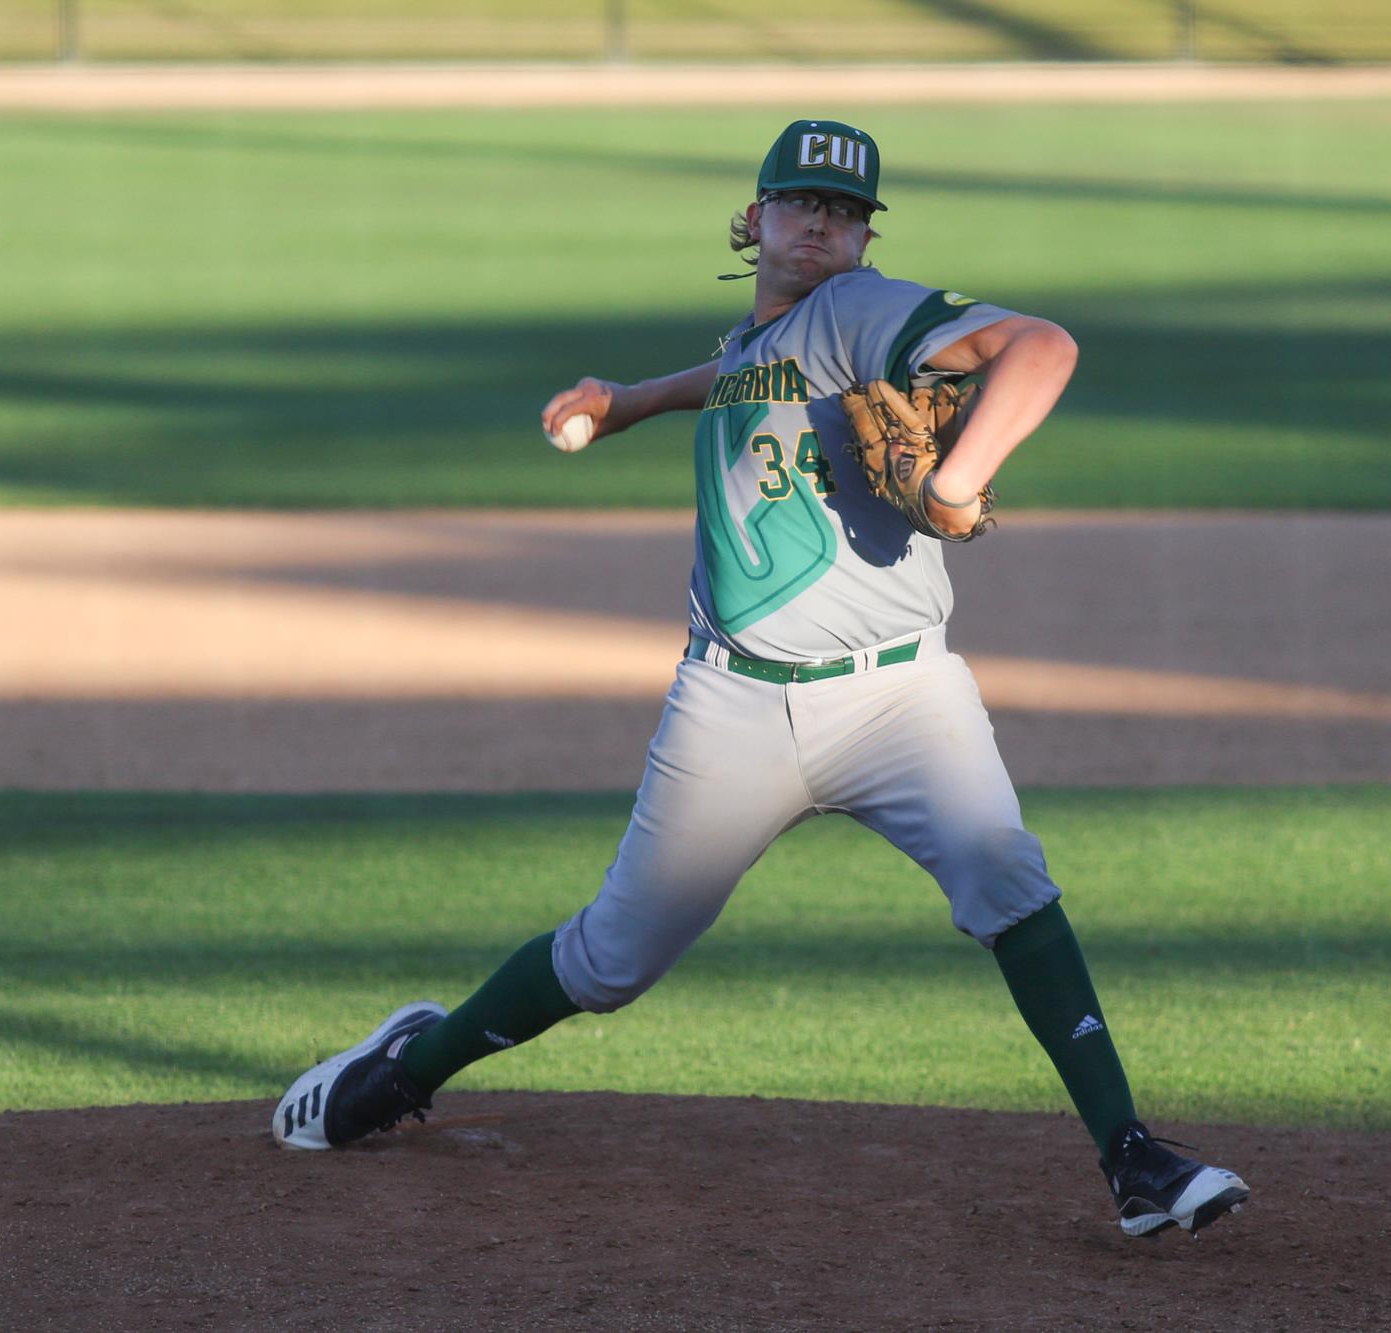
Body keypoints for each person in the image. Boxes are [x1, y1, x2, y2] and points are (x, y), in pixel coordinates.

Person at [273, 119, 1248, 1239]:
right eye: (800, 205)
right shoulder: (762, 336)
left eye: (844, 213)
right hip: (733, 706)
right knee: (608, 959)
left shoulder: (860, 310)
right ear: (755, 219)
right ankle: (409, 1066)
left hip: (898, 699)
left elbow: (1044, 346)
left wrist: (959, 476)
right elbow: (739, 375)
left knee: (1004, 879)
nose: (822, 225)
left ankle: (1132, 1157)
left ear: (865, 236)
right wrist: (632, 398)